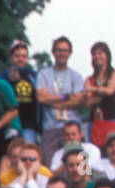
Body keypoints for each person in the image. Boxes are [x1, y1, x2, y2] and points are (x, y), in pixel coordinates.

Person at [36, 37, 87, 165]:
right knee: (50, 165)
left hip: (73, 126)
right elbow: (41, 98)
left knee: (80, 165)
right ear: (53, 52)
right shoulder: (43, 74)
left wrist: (51, 100)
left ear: (70, 53)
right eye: (58, 50)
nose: (62, 53)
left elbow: (79, 101)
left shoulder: (76, 76)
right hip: (50, 126)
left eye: (65, 50)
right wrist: (66, 96)